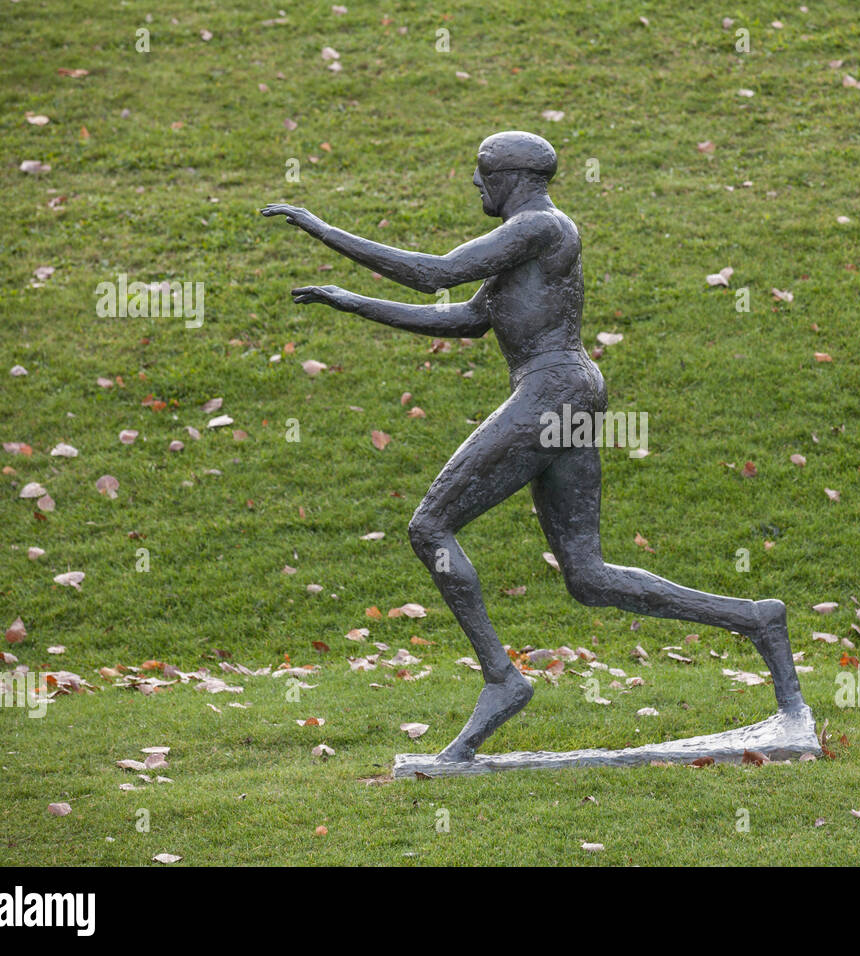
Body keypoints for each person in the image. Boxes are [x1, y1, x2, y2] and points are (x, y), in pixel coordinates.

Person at [262, 131, 810, 763]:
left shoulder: (540, 228)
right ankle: (757, 619)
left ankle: (502, 678)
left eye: (481, 173)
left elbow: (434, 273)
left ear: (512, 177)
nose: (475, 185)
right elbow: (464, 319)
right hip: (568, 391)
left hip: (552, 393)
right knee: (589, 577)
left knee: (430, 526)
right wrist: (349, 301)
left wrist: (320, 228)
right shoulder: (524, 243)